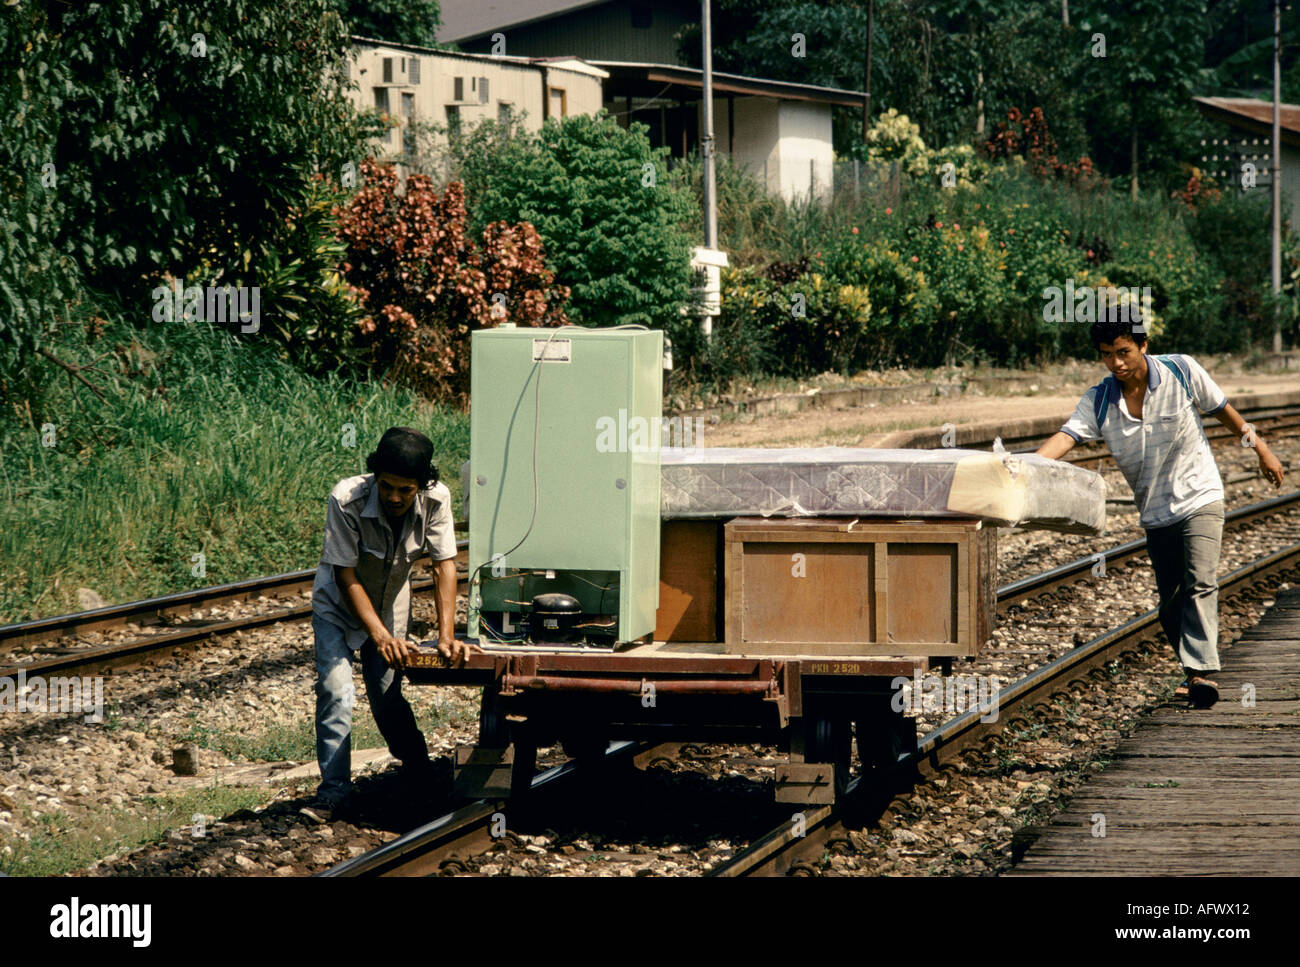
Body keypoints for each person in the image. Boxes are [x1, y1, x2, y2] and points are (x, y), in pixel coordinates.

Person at [1036, 318, 1284, 708]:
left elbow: (1225, 412)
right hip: (1155, 510)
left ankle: (1203, 672)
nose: (1116, 363)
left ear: (1143, 345)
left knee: (1200, 581)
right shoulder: (1099, 400)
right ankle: (1194, 673)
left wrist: (1262, 450)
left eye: (1123, 352)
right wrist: (1027, 469)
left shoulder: (1182, 371)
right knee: (1170, 599)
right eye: (1106, 356)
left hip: (1200, 495)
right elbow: (1067, 436)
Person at [301, 426, 471, 822]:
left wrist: (446, 635)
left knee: (386, 696)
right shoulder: (346, 499)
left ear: (421, 485)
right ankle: (334, 792)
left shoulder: (437, 498)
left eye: (405, 490)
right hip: (339, 605)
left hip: (391, 600)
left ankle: (419, 771)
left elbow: (444, 565)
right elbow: (345, 574)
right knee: (336, 690)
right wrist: (379, 636)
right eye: (387, 486)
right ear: (375, 476)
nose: (394, 497)